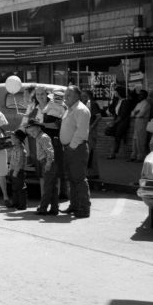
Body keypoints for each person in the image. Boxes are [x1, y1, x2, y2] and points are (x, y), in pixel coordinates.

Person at [60, 85, 92, 218]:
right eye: (65, 95)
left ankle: (84, 209)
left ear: (77, 96)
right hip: (69, 148)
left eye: (69, 95)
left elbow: (81, 132)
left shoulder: (81, 110)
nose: (65, 97)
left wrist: (71, 147)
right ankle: (74, 205)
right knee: (72, 179)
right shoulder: (69, 109)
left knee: (79, 179)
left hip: (76, 148)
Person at [28, 121, 57, 215]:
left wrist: (48, 163)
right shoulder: (39, 137)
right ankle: (54, 208)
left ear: (39, 128)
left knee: (47, 187)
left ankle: (43, 208)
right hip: (44, 162)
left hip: (47, 162)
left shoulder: (43, 137)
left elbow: (50, 151)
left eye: (33, 131)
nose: (32, 133)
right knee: (52, 186)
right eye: (30, 132)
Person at [107, 86, 133, 159]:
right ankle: (113, 153)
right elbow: (112, 110)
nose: (114, 93)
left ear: (119, 92)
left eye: (115, 91)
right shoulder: (117, 101)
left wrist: (114, 122)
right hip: (117, 121)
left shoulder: (125, 101)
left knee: (119, 137)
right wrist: (112, 98)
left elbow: (122, 114)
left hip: (122, 122)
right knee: (114, 136)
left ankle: (115, 153)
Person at [7, 128, 29, 210]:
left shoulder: (21, 150)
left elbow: (19, 162)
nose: (11, 139)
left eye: (13, 138)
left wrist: (15, 172)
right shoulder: (14, 148)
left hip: (19, 172)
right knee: (14, 188)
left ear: (18, 140)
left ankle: (22, 205)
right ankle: (15, 203)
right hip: (13, 171)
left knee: (20, 188)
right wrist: (10, 170)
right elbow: (12, 160)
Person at [130, 88, 153, 161]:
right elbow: (132, 113)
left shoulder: (146, 103)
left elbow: (141, 114)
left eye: (141, 95)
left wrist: (135, 113)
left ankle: (140, 156)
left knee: (141, 139)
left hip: (143, 122)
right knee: (135, 139)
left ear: (145, 96)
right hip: (137, 122)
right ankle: (134, 155)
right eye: (139, 95)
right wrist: (135, 113)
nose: (139, 96)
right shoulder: (138, 103)